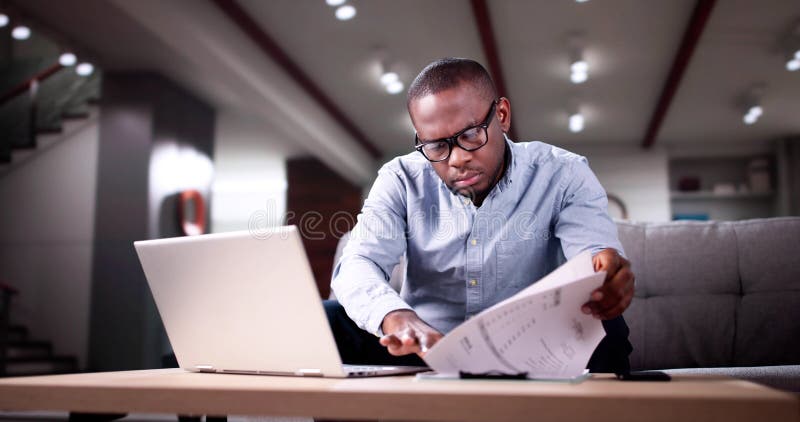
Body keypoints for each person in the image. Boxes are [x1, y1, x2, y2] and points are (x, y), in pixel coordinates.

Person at [327, 57, 634, 373]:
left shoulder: (563, 173)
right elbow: (358, 263)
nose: (457, 159)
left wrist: (604, 274)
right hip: (424, 346)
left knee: (609, 327)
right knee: (326, 320)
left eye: (471, 135)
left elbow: (593, 255)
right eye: (436, 146)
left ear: (501, 115)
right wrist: (397, 319)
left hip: (532, 348)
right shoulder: (401, 178)